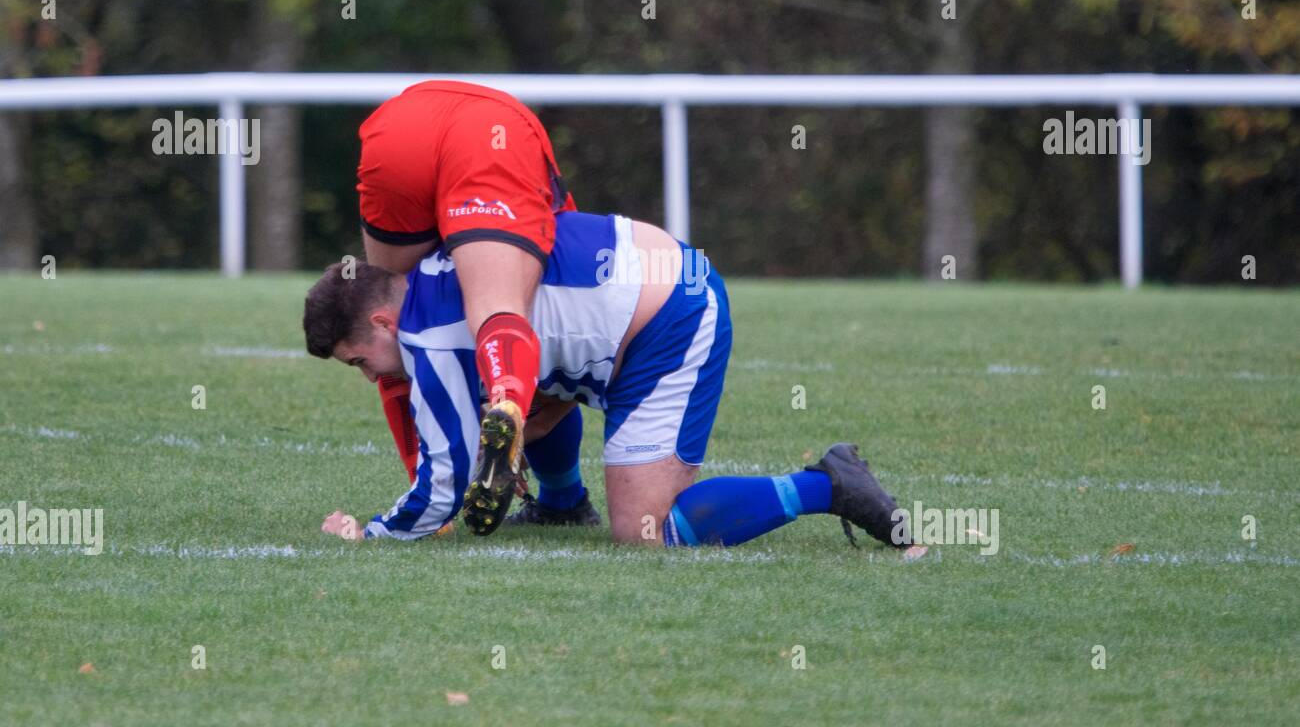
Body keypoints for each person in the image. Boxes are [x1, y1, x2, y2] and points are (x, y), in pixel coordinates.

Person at [303, 209, 912, 551]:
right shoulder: (448, 253)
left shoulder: (422, 335)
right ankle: (564, 504)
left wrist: (374, 534)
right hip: (656, 280)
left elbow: (443, 480)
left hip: (669, 319)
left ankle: (825, 484)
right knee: (513, 395)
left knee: (644, 530)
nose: (369, 378)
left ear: (384, 321)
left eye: (360, 361)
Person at [353, 79, 576, 533]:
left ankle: (430, 494)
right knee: (507, 314)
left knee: (400, 320)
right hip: (495, 127)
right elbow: (569, 368)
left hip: (395, 126)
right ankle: (561, 493)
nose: (368, 373)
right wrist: (529, 419)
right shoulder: (565, 222)